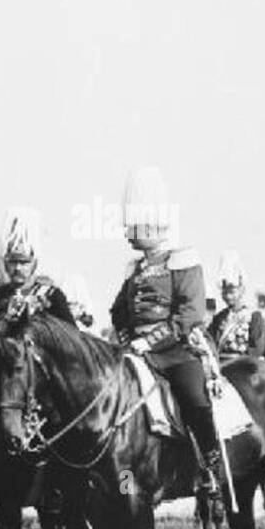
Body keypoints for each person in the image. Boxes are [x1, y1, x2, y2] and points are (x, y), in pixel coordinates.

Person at [110, 166, 223, 502]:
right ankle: (124, 484)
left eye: (133, 224)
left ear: (152, 222)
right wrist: (128, 338)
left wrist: (152, 340)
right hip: (137, 350)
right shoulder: (134, 269)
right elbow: (117, 311)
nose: (127, 230)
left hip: (176, 349)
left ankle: (209, 465)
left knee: (193, 396)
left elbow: (190, 314)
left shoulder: (183, 259)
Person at [207, 251, 265, 363]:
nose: (228, 296)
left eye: (232, 292)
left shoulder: (254, 316)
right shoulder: (219, 317)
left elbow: (256, 349)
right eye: (225, 292)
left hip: (243, 368)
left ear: (241, 290)